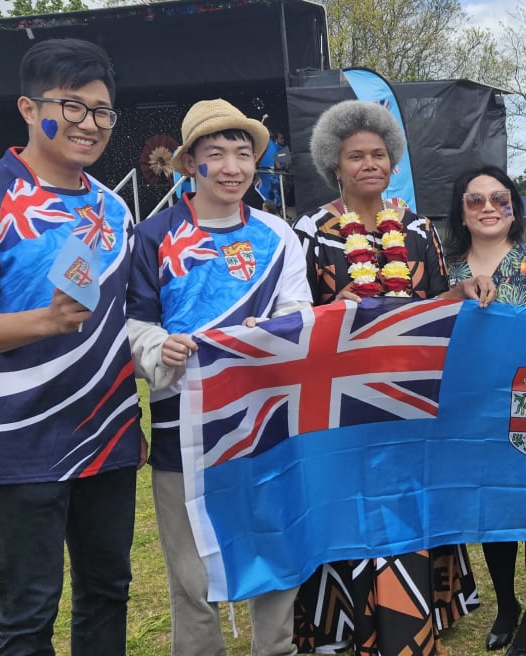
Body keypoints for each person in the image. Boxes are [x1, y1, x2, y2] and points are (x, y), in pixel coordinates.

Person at [0, 39, 144, 655]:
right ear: (28, 107)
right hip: (19, 438)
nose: (89, 125)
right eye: (72, 107)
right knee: (29, 610)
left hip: (108, 433)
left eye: (102, 111)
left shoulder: (113, 207)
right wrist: (43, 323)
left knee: (108, 591)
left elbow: (128, 317)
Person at [293, 99, 479, 655]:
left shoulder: (418, 227)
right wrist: (334, 310)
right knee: (351, 502)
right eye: (356, 156)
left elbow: (437, 304)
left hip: (410, 393)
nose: (369, 163)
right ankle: (347, 625)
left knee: (409, 495)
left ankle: (414, 617)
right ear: (336, 165)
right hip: (344, 402)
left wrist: (460, 293)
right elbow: (296, 315)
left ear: (392, 162)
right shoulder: (314, 232)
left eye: (378, 154)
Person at [127, 99, 312, 656]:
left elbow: (300, 313)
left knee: (277, 553)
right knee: (190, 572)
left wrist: (271, 330)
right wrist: (162, 347)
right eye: (215, 154)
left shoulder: (278, 235)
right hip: (179, 426)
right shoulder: (154, 236)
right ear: (189, 164)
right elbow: (132, 325)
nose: (232, 166)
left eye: (242, 153)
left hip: (266, 420)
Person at [444, 165, 526, 656]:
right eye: (475, 199)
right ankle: (506, 605)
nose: (488, 208)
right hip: (471, 410)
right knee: (492, 510)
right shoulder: (448, 265)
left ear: (514, 207)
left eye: (499, 198)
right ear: (461, 210)